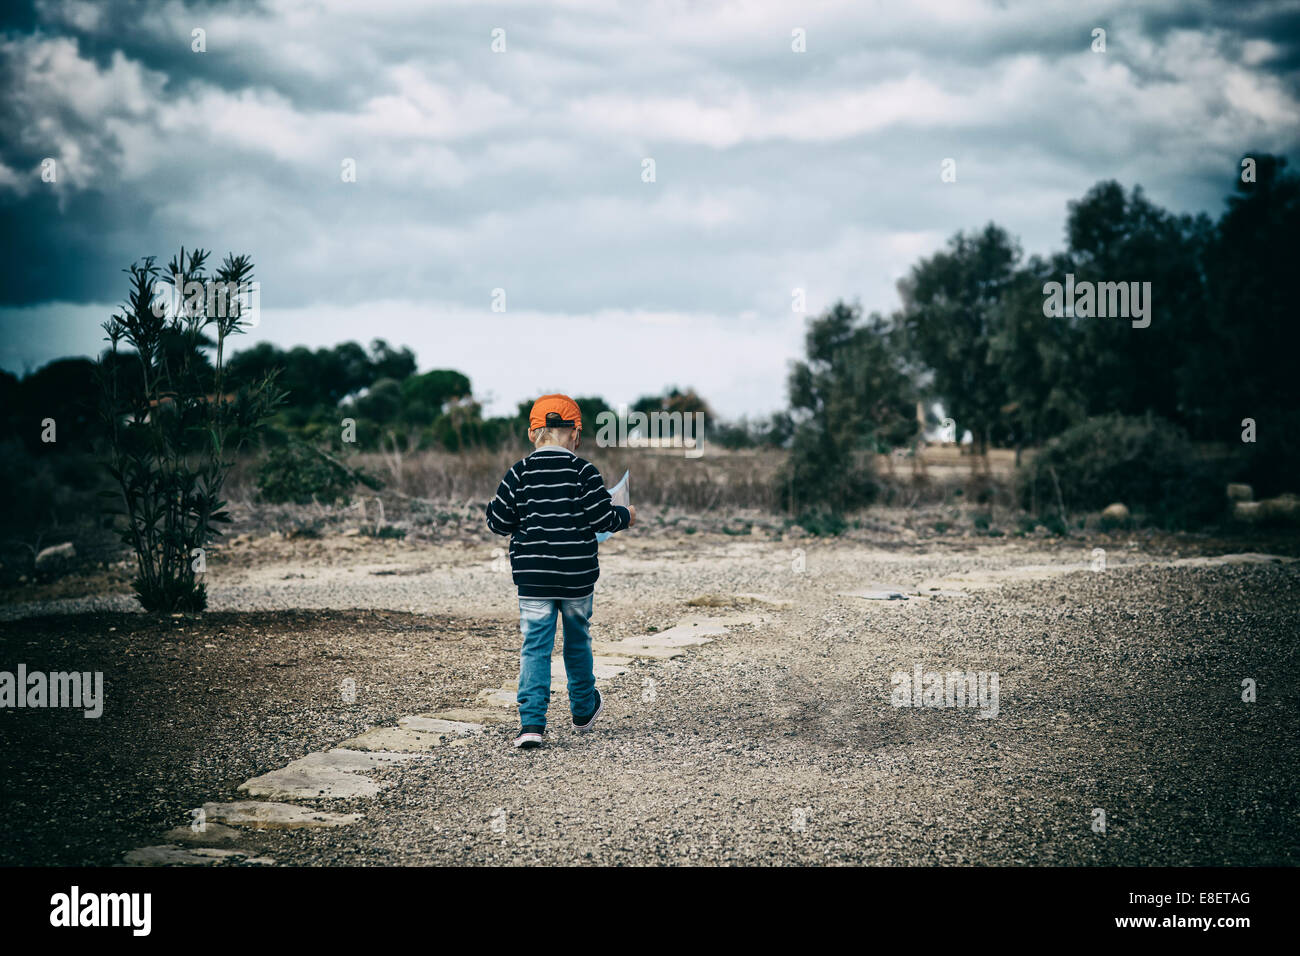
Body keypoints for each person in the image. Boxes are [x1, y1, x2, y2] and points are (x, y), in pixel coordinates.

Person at [485, 394, 635, 748]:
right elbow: (603, 519)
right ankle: (583, 709)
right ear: (576, 434)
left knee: (535, 645)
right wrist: (626, 515)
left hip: (533, 576)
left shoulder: (518, 472)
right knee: (577, 638)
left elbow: (498, 521)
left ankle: (532, 724)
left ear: (532, 433)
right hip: (576, 575)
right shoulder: (584, 471)